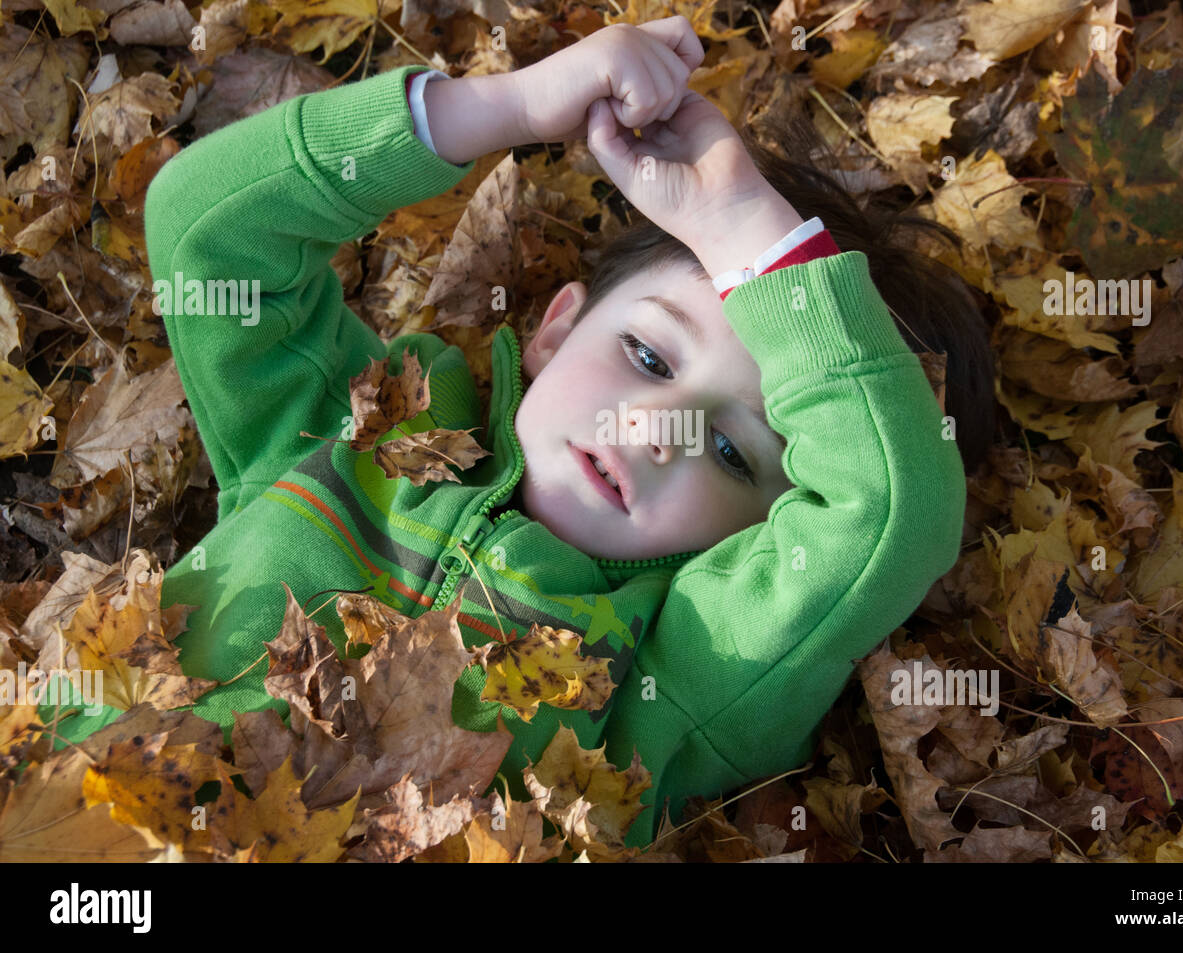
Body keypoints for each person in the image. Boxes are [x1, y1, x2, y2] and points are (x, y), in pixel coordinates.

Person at [44, 16, 993, 849]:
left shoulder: (693, 672)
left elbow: (891, 509)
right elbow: (206, 231)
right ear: (552, 328)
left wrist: (749, 228)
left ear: (762, 537)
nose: (656, 427)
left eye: (733, 452)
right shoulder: (354, 422)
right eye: (650, 358)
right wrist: (506, 108)